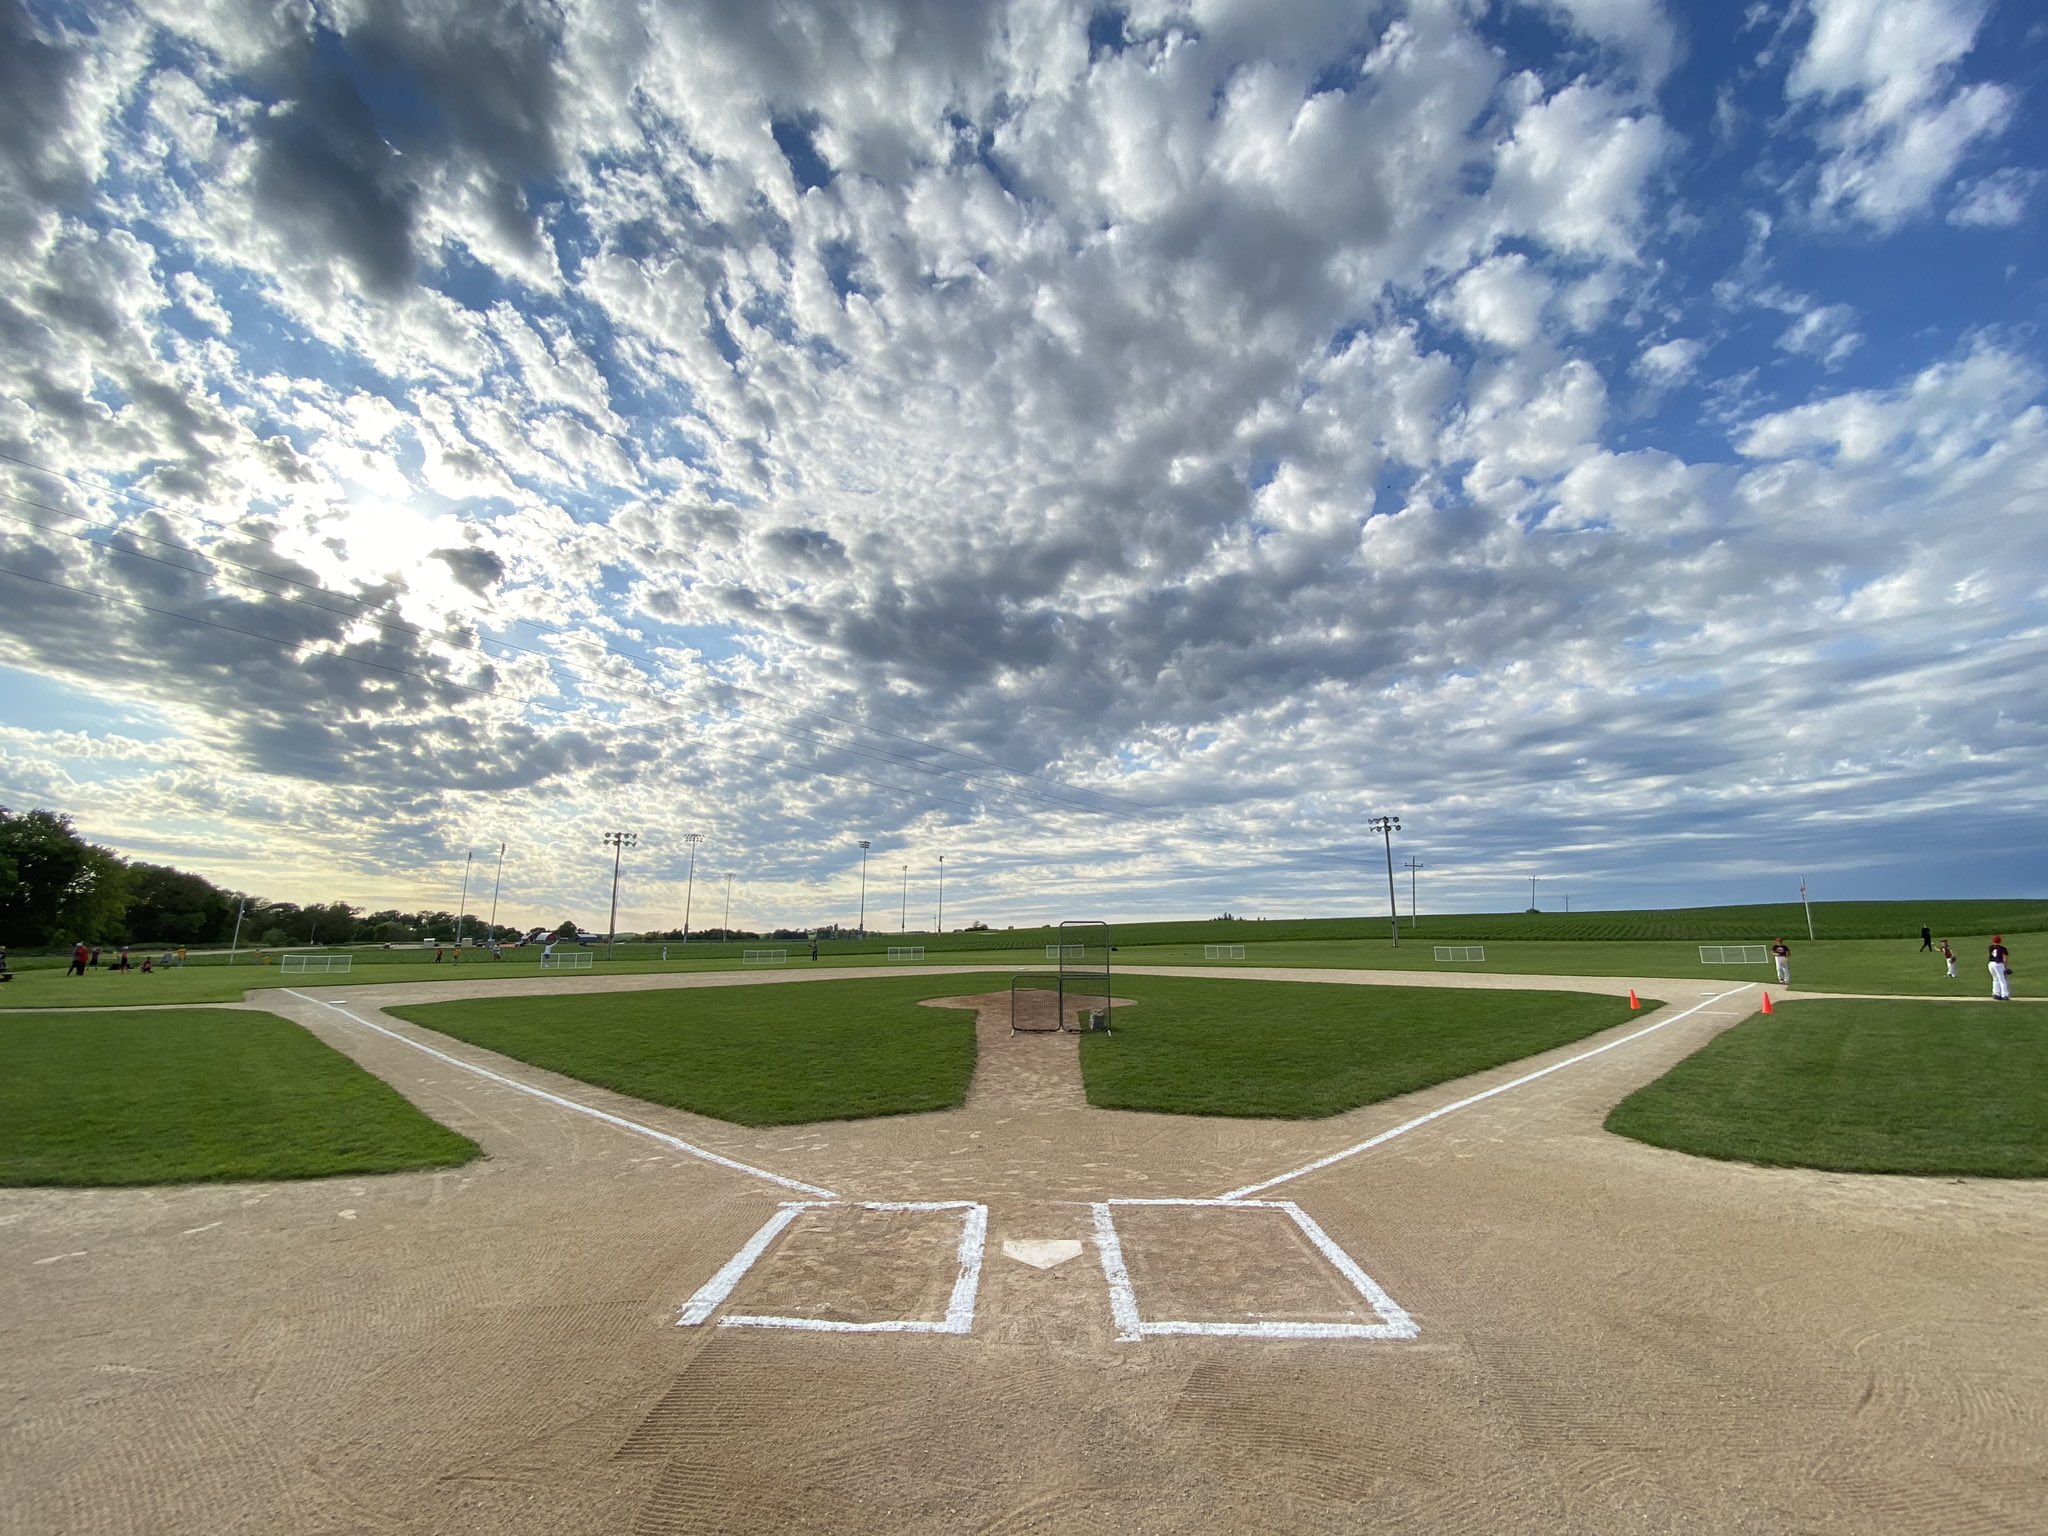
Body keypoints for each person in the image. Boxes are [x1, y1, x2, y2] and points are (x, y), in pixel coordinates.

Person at [1988, 936, 2012, 1001]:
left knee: (1995, 979)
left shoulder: (1990, 947)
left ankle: (1996, 994)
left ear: (1993, 941)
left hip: (1991, 964)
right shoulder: (2003, 948)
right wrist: (2006, 967)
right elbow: (2004, 958)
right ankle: (2005, 995)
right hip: (1999, 964)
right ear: (2000, 941)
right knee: (2002, 980)